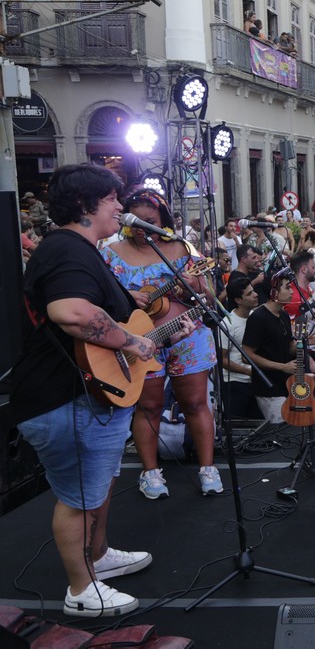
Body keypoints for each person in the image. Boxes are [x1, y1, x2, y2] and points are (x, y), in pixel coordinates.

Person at [12, 164, 194, 617]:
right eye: (112, 199)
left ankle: (98, 556)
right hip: (65, 398)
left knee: (96, 487)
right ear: (84, 205)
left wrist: (151, 327)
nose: (120, 207)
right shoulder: (66, 251)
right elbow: (71, 313)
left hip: (90, 396)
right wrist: (135, 342)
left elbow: (101, 317)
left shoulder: (81, 251)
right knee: (79, 496)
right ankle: (80, 588)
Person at [102, 188, 222, 499]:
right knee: (149, 406)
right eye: (136, 222)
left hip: (187, 333)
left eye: (150, 221)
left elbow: (209, 297)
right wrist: (129, 296)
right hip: (140, 342)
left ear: (163, 220)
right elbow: (100, 299)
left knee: (196, 402)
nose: (142, 229)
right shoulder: (111, 253)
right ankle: (150, 472)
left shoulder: (184, 249)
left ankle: (208, 468)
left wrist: (193, 287)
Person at [243, 268, 315, 422]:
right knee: (282, 429)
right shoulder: (258, 318)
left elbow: (288, 347)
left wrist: (302, 342)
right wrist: (282, 367)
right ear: (274, 293)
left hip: (286, 385)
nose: (292, 292)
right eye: (287, 288)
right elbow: (247, 356)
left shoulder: (284, 315)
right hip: (268, 389)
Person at [220, 277, 263, 420]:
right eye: (250, 293)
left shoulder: (255, 317)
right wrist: (248, 371)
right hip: (235, 384)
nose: (255, 295)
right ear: (238, 300)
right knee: (238, 425)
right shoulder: (228, 324)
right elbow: (222, 359)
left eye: (254, 291)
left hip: (255, 382)